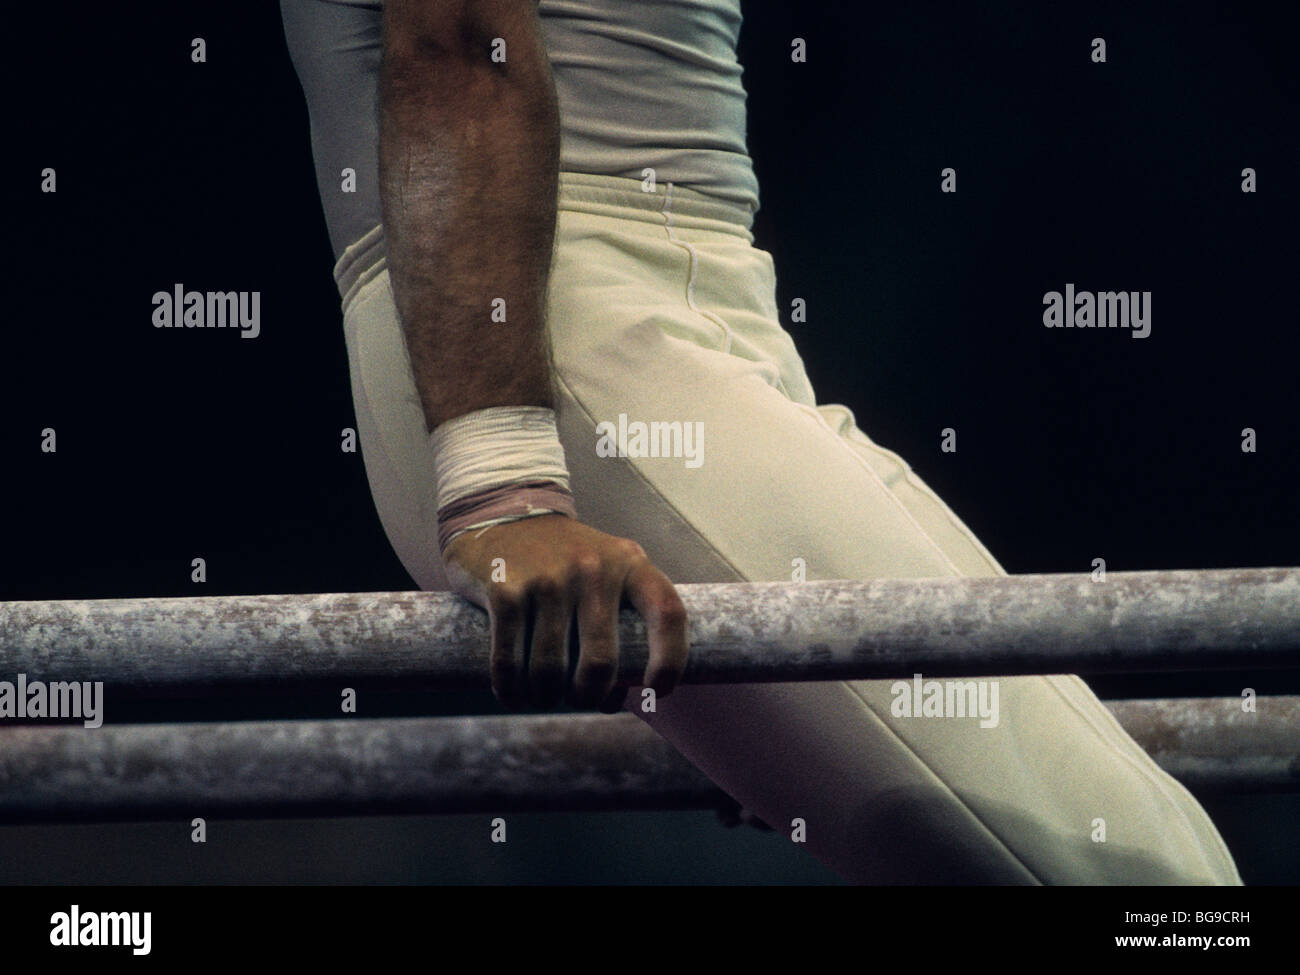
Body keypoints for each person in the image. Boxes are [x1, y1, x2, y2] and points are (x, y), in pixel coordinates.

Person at [279, 0, 1241, 883]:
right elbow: (452, 41)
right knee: (1149, 881)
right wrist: (508, 483)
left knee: (1147, 825)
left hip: (690, 323)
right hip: (551, 345)